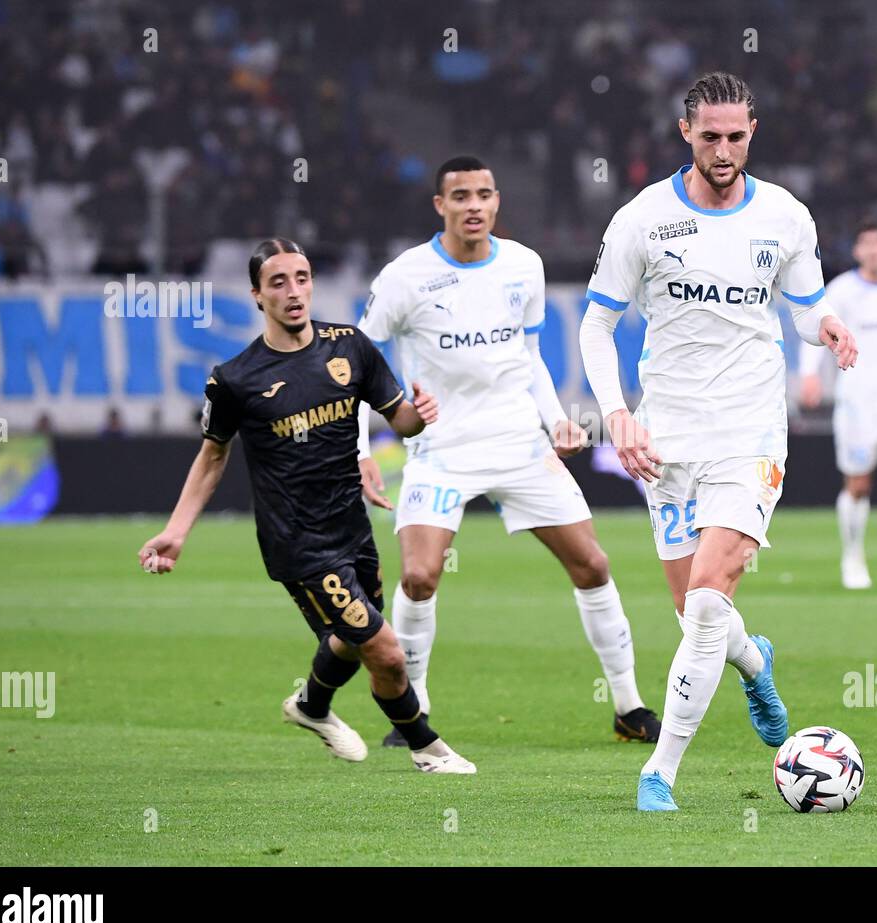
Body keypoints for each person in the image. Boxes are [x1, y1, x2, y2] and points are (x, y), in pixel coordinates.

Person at [579, 72, 858, 811]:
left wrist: (825, 326)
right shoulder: (642, 220)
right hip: (666, 434)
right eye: (710, 136)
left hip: (750, 428)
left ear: (752, 132)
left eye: (736, 136)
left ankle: (658, 773)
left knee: (705, 603)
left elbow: (805, 308)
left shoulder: (786, 217)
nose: (724, 149)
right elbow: (595, 324)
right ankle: (752, 660)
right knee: (695, 614)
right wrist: (616, 413)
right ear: (685, 134)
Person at [138, 238, 475, 773]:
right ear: (256, 294)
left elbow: (402, 421)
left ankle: (311, 705)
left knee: (349, 637)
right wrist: (177, 532)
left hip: (353, 529)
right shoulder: (235, 378)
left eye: (302, 277)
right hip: (298, 543)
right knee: (384, 650)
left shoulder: (351, 348)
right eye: (278, 282)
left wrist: (420, 413)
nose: (294, 291)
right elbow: (211, 457)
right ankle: (427, 748)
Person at [357, 156, 661, 747]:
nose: (475, 205)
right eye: (461, 196)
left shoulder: (524, 266)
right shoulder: (405, 276)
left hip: (519, 443)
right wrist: (363, 450)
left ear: (497, 201)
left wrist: (555, 423)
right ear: (439, 205)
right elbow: (353, 367)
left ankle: (628, 706)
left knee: (593, 565)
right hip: (440, 448)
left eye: (485, 194)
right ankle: (409, 714)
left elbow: (529, 356)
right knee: (419, 577)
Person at [799, 219, 877, 589]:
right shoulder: (840, 291)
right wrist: (810, 375)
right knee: (858, 484)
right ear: (857, 252)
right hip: (858, 398)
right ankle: (853, 558)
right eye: (867, 244)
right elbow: (819, 331)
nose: (874, 250)